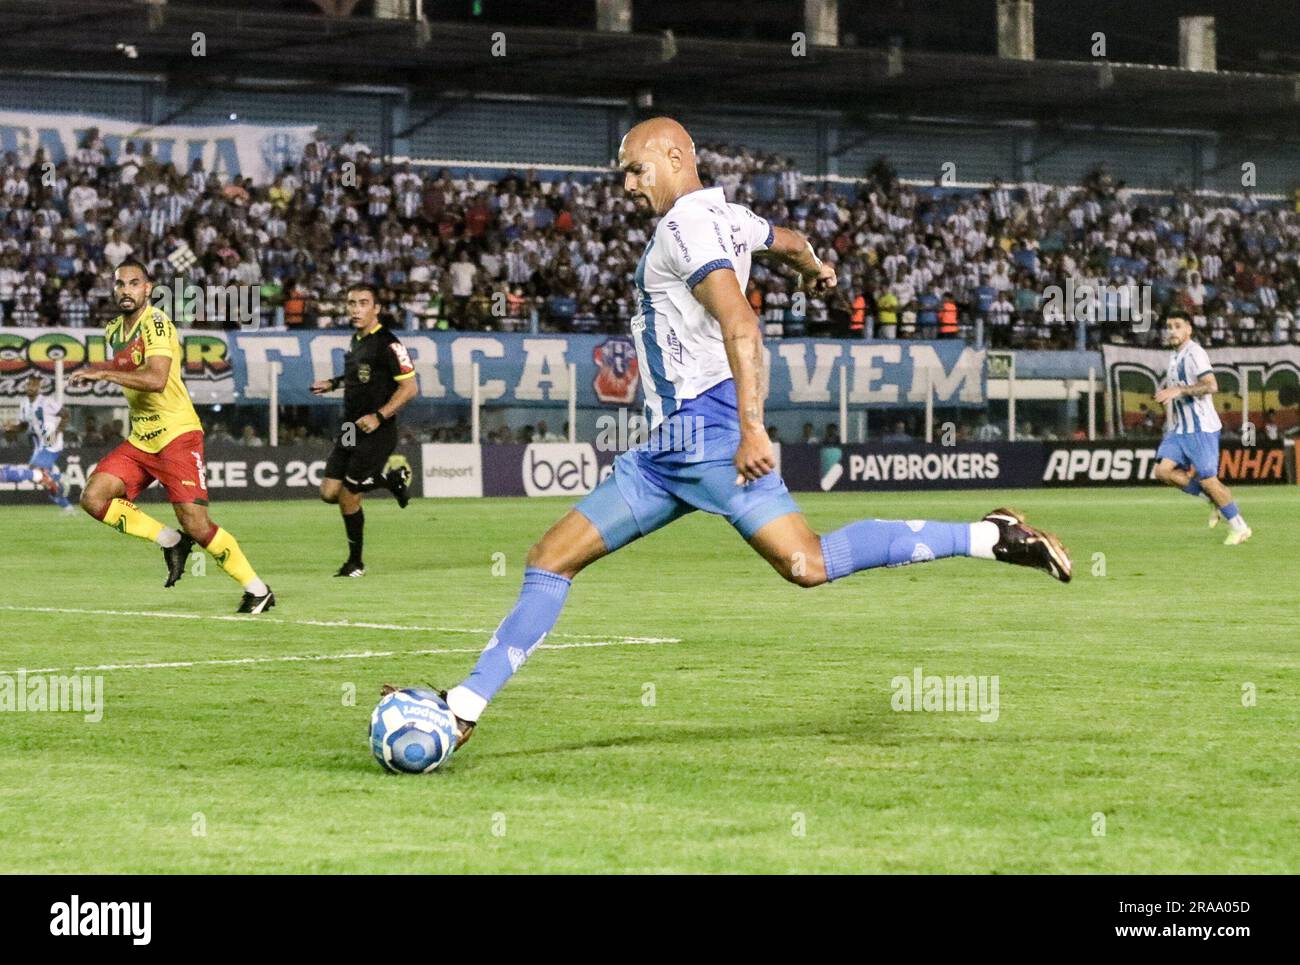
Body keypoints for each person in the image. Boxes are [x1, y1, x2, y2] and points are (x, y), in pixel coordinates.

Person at [386, 118, 1073, 751]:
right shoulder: (727, 216)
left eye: (635, 170)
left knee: (806, 564)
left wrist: (750, 429)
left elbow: (741, 324)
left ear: (674, 156)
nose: (627, 186)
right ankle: (462, 708)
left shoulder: (685, 227)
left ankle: (989, 536)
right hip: (666, 451)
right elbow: (791, 242)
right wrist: (814, 269)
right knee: (551, 559)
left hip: (708, 434)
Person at [69, 259, 274, 612]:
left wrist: (102, 374)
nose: (126, 290)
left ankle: (258, 590)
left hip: (176, 434)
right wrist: (102, 370)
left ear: (148, 288)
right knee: (94, 497)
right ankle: (170, 541)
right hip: (142, 438)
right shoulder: (113, 330)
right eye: (120, 284)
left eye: (134, 283)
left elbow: (156, 379)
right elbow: (126, 367)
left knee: (196, 524)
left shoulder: (157, 324)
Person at [311, 283, 419, 577]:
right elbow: (358, 377)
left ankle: (355, 563)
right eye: (351, 303)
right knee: (329, 492)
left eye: (362, 303)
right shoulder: (356, 340)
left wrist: (379, 416)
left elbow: (410, 388)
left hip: (376, 430)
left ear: (376, 308)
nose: (355, 309)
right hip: (350, 427)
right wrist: (333, 383)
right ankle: (390, 480)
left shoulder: (390, 344)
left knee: (349, 495)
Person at [1153, 310, 1251, 544]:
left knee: (1209, 481)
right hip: (1181, 429)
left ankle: (1240, 527)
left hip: (1200, 428)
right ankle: (1211, 500)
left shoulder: (1195, 353)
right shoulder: (1175, 356)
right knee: (1162, 471)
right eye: (1169, 327)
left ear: (1189, 329)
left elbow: (1211, 385)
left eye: (1177, 326)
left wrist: (1179, 390)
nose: (1172, 331)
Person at [1, 374, 74, 512]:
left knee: (36, 471)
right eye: (28, 384)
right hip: (39, 442)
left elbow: (65, 414)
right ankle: (66, 505)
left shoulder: (46, 402)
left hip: (50, 439)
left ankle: (60, 477)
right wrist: (11, 428)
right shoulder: (24, 404)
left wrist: (57, 432)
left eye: (34, 384)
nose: (31, 387)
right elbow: (24, 426)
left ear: (39, 387)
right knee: (40, 477)